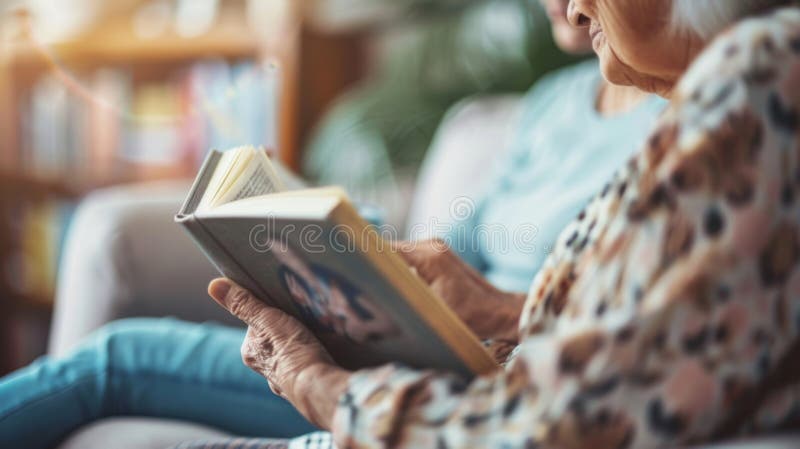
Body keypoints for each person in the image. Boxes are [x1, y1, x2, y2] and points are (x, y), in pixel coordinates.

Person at [0, 1, 674, 448]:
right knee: (118, 353)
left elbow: (646, 321)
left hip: (487, 387)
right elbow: (458, 247)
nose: (567, 4)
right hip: (416, 351)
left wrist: (500, 309)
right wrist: (345, 245)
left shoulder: (696, 126)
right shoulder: (551, 103)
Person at [201, 2, 800, 449]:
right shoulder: (700, 104)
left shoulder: (760, 76)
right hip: (450, 386)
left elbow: (562, 419)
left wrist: (317, 386)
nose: (571, 9)